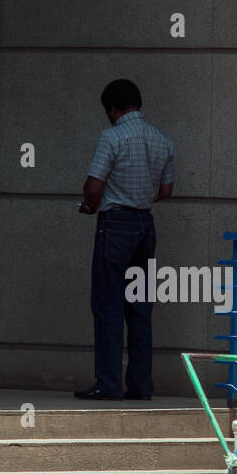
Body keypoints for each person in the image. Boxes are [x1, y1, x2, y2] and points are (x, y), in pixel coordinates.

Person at [74, 79, 175, 402]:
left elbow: (93, 186)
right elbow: (166, 192)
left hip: (115, 224)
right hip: (145, 225)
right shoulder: (163, 141)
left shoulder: (112, 137)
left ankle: (108, 383)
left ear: (113, 109)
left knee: (108, 306)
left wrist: (91, 206)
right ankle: (141, 386)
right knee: (141, 308)